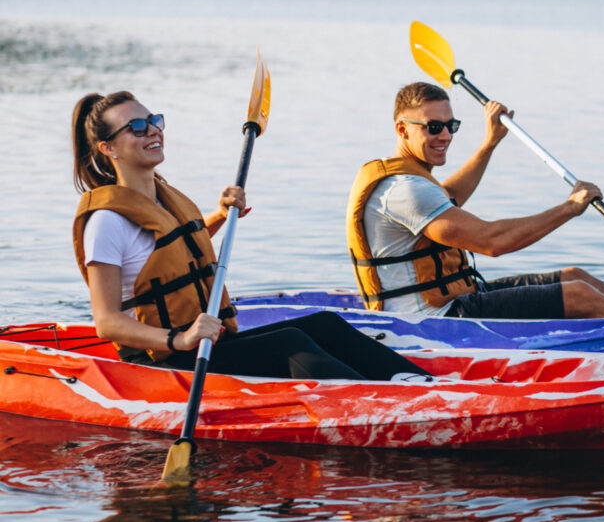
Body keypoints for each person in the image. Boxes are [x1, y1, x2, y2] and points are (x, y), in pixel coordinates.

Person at [71, 90, 429, 381]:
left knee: (325, 324)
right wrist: (180, 338)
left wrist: (221, 214)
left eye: (155, 121)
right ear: (108, 148)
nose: (152, 130)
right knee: (287, 342)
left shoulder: (163, 200)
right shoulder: (106, 222)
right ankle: (378, 403)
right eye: (136, 126)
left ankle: (418, 385)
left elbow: (172, 252)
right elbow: (107, 322)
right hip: (166, 360)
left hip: (208, 344)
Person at [346, 82, 604, 319]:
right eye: (433, 126)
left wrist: (490, 142)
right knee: (579, 296)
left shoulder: (410, 182)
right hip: (427, 323)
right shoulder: (404, 190)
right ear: (402, 129)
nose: (445, 135)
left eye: (451, 124)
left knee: (575, 275)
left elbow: (449, 195)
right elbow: (493, 242)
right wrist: (569, 208)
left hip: (453, 299)